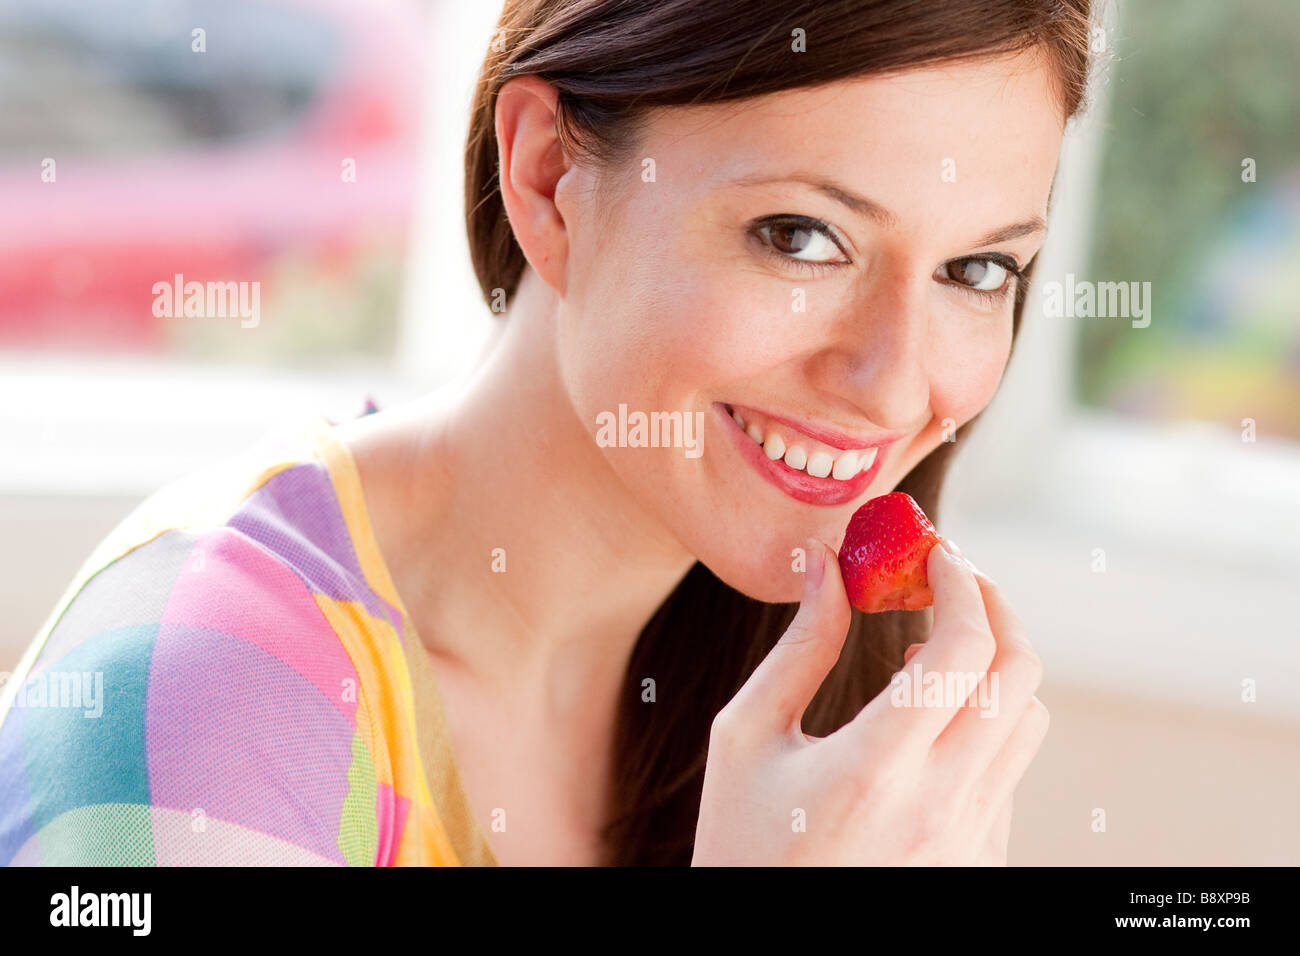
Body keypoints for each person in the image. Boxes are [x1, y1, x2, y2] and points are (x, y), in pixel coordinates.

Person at [0, 0, 1096, 866]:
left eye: (977, 268)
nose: (892, 382)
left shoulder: (803, 714)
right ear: (550, 180)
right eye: (801, 235)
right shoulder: (205, 717)